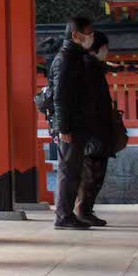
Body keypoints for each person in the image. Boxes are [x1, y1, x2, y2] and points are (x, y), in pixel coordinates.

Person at [48, 15, 98, 230]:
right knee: (69, 171)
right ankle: (63, 216)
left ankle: (67, 214)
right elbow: (60, 96)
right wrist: (63, 127)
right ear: (76, 35)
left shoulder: (76, 56)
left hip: (78, 122)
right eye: (88, 32)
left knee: (73, 170)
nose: (91, 37)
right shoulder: (66, 58)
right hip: (71, 125)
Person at [77, 31, 118, 227]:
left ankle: (86, 209)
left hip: (98, 127)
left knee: (96, 172)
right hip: (93, 129)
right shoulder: (88, 68)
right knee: (91, 173)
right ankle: (83, 209)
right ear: (99, 48)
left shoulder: (94, 68)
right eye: (106, 48)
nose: (107, 52)